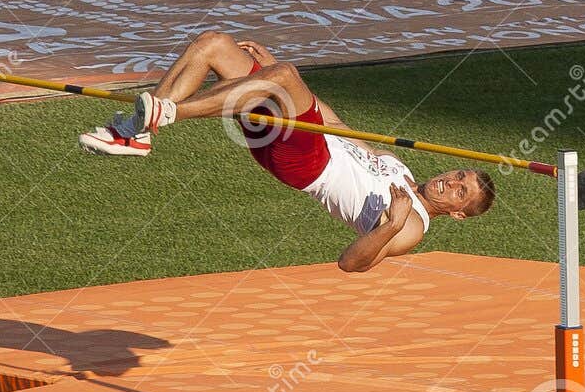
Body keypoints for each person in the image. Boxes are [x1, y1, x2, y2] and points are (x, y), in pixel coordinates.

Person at [79, 32, 495, 272]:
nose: (452, 182)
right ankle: (136, 131)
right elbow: (336, 126)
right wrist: (277, 74)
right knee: (214, 44)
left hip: (307, 163)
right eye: (460, 175)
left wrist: (388, 228)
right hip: (303, 137)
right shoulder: (400, 171)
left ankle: (165, 113)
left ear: (457, 213)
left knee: (283, 77)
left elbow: (351, 265)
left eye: (461, 192)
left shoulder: (413, 226)